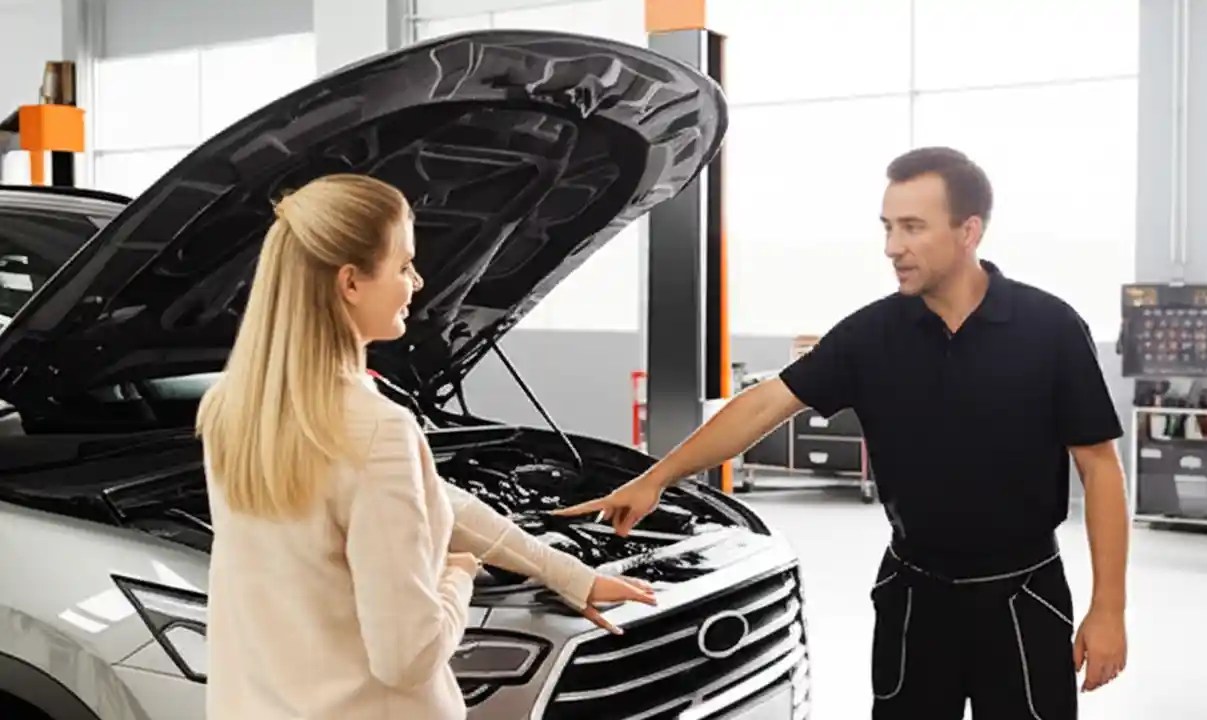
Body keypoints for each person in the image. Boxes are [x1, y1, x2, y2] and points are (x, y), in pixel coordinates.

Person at [556, 147, 1130, 719]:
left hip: (1023, 594)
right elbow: (764, 405)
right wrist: (657, 478)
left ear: (968, 231)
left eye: (912, 227)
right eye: (887, 227)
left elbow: (1100, 468)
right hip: (915, 595)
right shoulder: (872, 335)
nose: (891, 247)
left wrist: (1109, 608)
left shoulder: (1050, 328)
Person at [195, 173, 656, 720]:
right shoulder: (376, 427)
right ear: (350, 283)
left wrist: (566, 573)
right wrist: (455, 577)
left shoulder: (229, 408)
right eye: (403, 265)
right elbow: (407, 657)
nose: (417, 283)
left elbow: (439, 501)